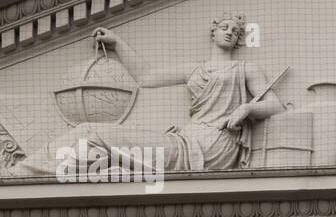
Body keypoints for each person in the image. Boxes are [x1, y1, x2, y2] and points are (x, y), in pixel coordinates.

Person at [58, 13, 283, 176]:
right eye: (225, 27)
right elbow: (147, 77)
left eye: (235, 32)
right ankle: (32, 170)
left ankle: (30, 170)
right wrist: (118, 43)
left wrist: (247, 108)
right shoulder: (194, 69)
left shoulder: (245, 68)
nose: (230, 33)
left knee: (95, 135)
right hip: (186, 139)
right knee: (88, 133)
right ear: (213, 32)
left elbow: (275, 104)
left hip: (213, 147)